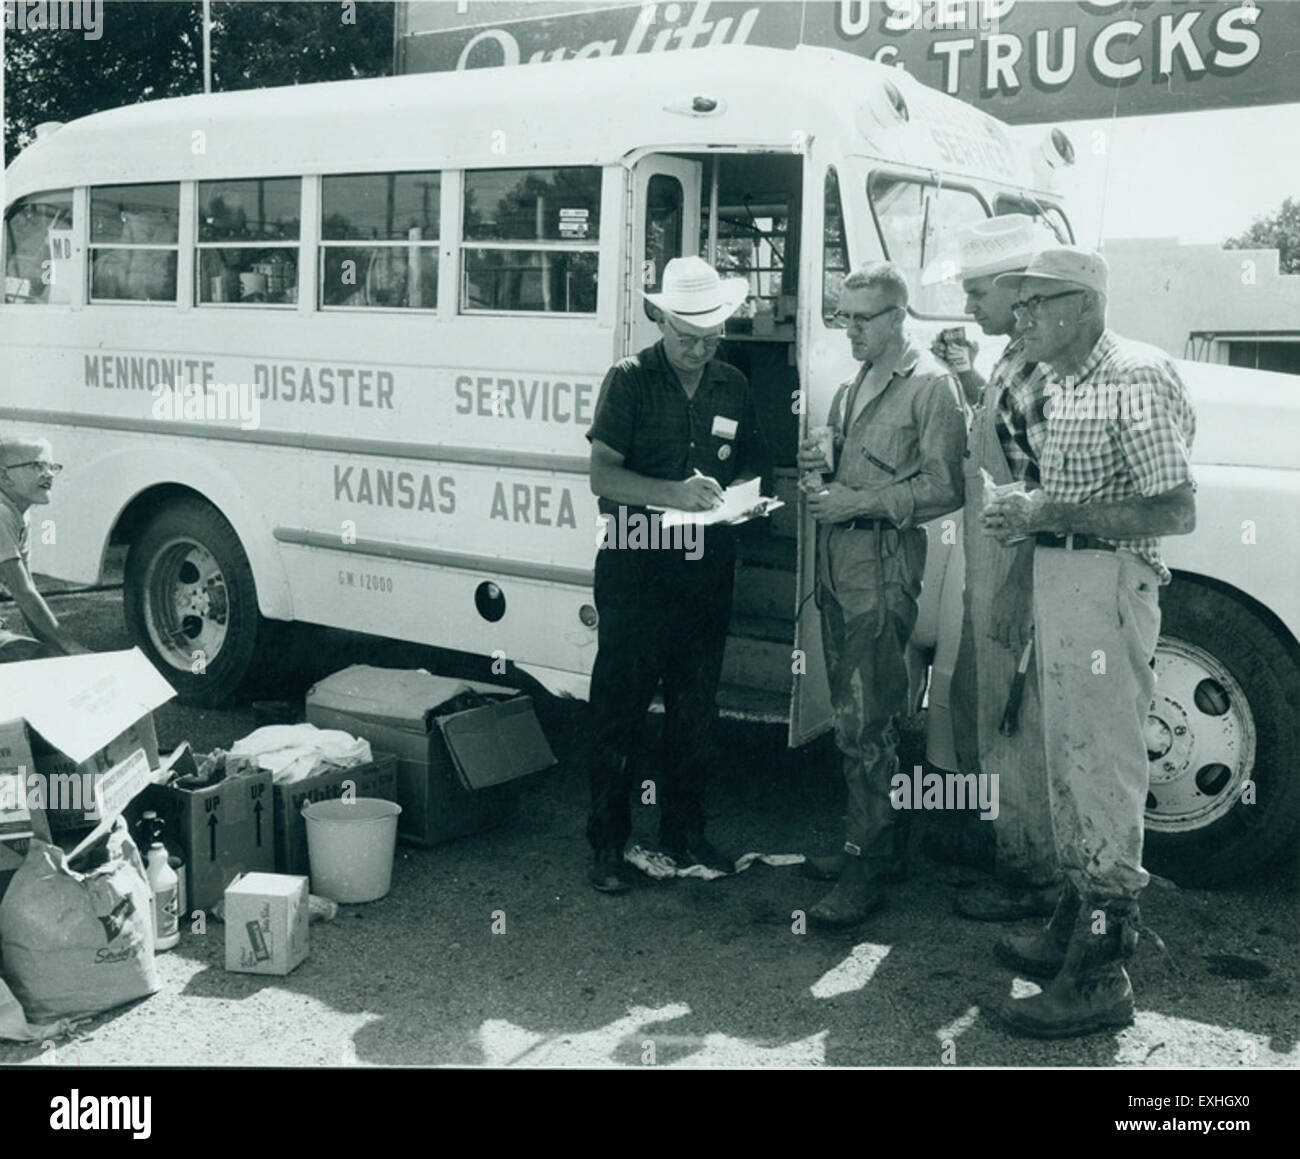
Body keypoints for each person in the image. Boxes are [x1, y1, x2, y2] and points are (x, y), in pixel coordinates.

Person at [982, 248, 1196, 1037]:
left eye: (1034, 304)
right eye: (1019, 306)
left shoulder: (1134, 375)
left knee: (1102, 769)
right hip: (1066, 581)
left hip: (1107, 585)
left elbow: (1173, 509)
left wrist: (1047, 516)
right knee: (1069, 761)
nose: (1019, 318)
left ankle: (1103, 973)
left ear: (1081, 304)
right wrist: (1035, 510)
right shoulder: (1068, 378)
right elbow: (1081, 494)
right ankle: (1075, 926)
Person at [584, 256, 768, 892]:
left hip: (704, 567)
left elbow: (750, 465)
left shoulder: (733, 385)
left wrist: (745, 498)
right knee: (620, 710)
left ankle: (685, 832)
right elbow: (602, 475)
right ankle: (608, 844)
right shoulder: (630, 380)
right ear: (660, 319)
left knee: (695, 708)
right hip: (636, 564)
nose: (699, 347)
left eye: (712, 335)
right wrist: (673, 494)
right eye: (688, 334)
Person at [797, 261, 966, 926]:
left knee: (866, 719)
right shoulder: (856, 381)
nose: (850, 328)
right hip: (840, 567)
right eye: (843, 315)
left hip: (882, 565)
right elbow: (847, 467)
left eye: (863, 317)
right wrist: (823, 465)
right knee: (855, 714)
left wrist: (856, 500)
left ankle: (864, 867)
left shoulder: (931, 386)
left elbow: (948, 486)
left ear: (898, 316)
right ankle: (875, 841)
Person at [933, 216, 1061, 922]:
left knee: (1017, 727)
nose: (967, 305)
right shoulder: (1015, 357)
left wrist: (1017, 589)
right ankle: (1004, 844)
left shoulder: (1038, 368)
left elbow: (1051, 496)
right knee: (986, 714)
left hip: (1015, 572)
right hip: (992, 571)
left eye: (977, 291)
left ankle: (1031, 878)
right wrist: (966, 375)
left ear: (1019, 291)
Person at [0, 435, 91, 661]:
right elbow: (23, 593)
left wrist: (60, 651)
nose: (49, 473)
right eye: (37, 465)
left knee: (48, 658)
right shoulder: (1, 514)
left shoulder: (18, 514)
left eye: (51, 466)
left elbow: (27, 592)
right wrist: (69, 646)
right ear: (3, 475)